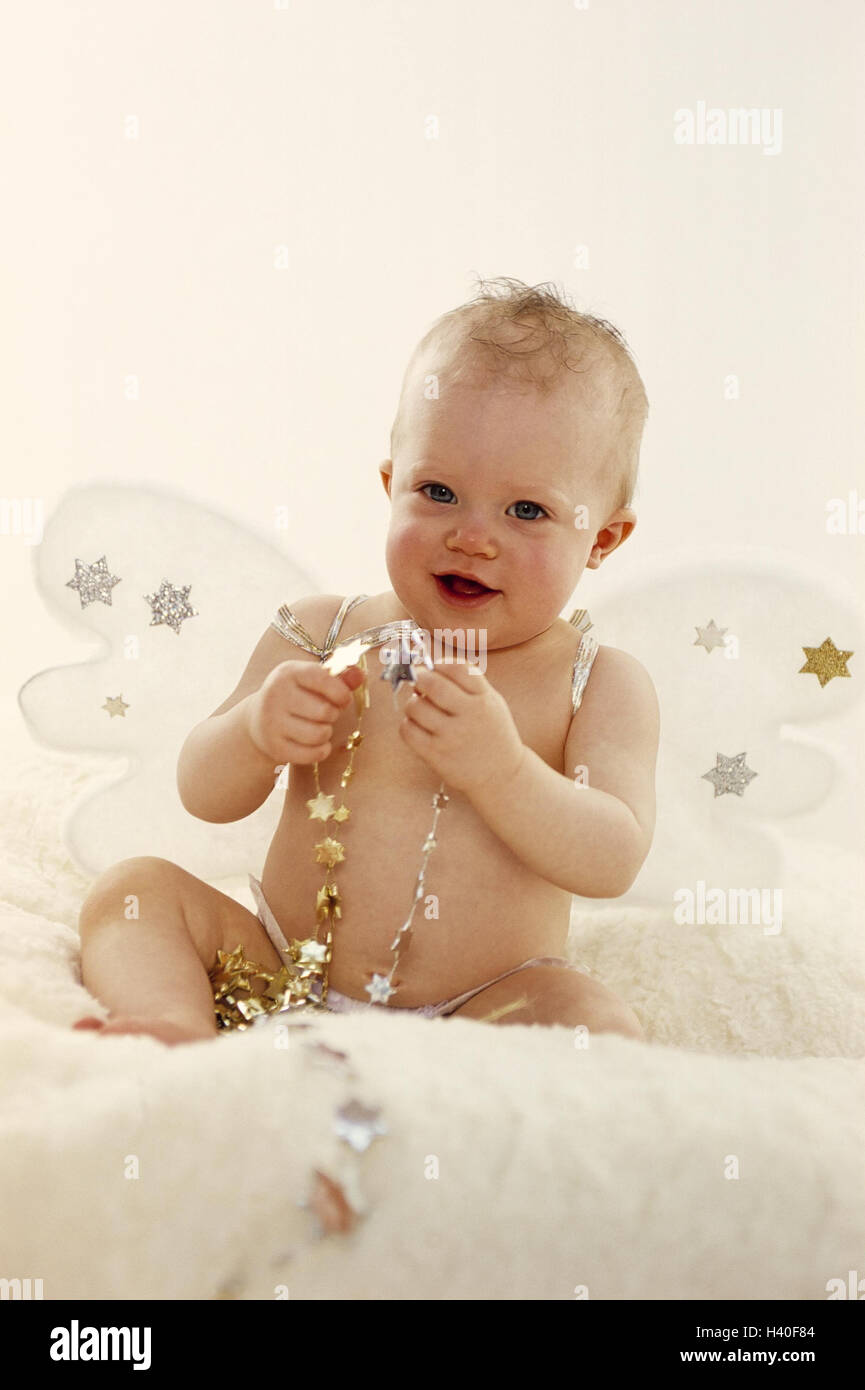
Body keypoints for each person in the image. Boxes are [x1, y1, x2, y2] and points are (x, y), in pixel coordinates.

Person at [73, 276, 658, 1046]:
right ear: (390, 486)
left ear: (602, 540)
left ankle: (476, 1117)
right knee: (131, 891)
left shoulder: (598, 682)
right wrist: (254, 732)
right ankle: (173, 1027)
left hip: (478, 1010)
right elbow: (202, 791)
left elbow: (612, 856)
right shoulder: (321, 633)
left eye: (526, 511)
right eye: (438, 490)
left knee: (594, 1021)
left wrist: (502, 770)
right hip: (278, 974)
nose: (472, 537)